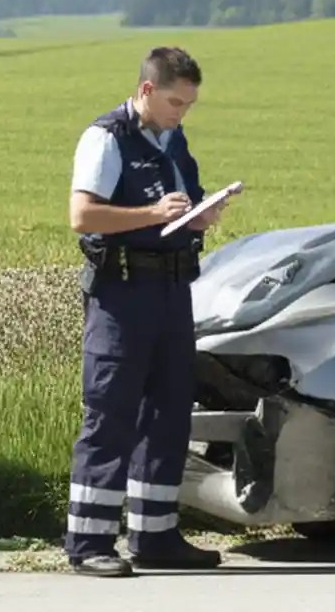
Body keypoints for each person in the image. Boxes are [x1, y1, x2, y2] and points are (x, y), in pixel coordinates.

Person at [64, 47, 232, 577]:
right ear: (146, 90)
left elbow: (181, 205)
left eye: (189, 104)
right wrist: (152, 213)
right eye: (176, 102)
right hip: (122, 291)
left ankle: (155, 534)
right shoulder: (106, 137)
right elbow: (81, 214)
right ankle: (89, 542)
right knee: (111, 413)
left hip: (172, 290)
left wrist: (201, 217)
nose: (183, 112)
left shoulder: (173, 140)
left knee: (168, 412)